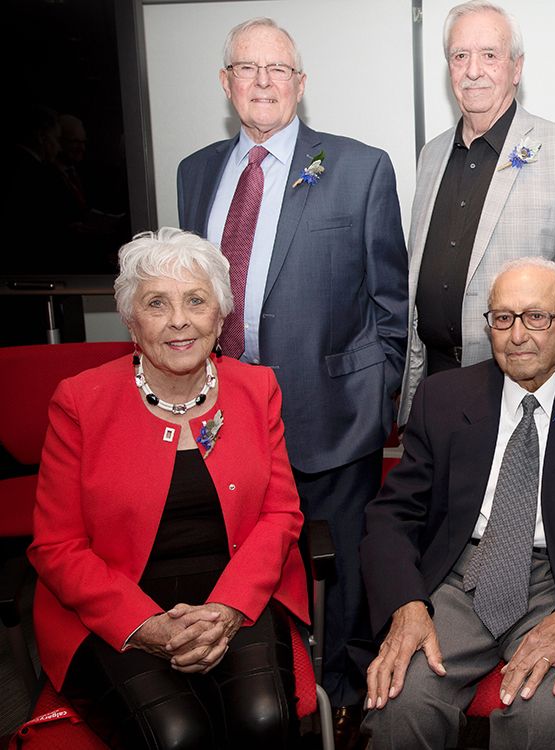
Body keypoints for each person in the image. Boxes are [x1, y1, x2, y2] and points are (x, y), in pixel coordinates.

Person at [176, 17, 408, 732]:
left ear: (301, 85)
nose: (263, 82)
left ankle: (338, 696)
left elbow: (390, 303)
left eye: (278, 70)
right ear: (226, 84)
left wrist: (373, 397)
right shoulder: (195, 171)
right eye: (247, 69)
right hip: (221, 414)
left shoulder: (359, 166)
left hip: (332, 413)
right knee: (240, 555)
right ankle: (261, 684)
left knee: (337, 574)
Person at [361, 258, 555, 749]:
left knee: (538, 719)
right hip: (461, 578)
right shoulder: (444, 395)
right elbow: (391, 514)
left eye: (536, 317)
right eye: (503, 318)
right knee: (403, 702)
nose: (517, 335)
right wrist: (407, 604)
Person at [27, 228, 310, 748]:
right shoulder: (80, 402)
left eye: (196, 301)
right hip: (117, 606)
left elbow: (280, 515)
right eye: (157, 303)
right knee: (177, 734)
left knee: (264, 719)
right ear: (132, 321)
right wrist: (146, 625)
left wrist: (226, 611)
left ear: (220, 316)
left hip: (234, 594)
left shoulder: (256, 389)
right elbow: (56, 546)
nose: (179, 320)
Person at [399, 0, 555, 424]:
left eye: (489, 55)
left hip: (522, 394)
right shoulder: (432, 154)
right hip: (434, 385)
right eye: (460, 56)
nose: (473, 70)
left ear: (516, 68)